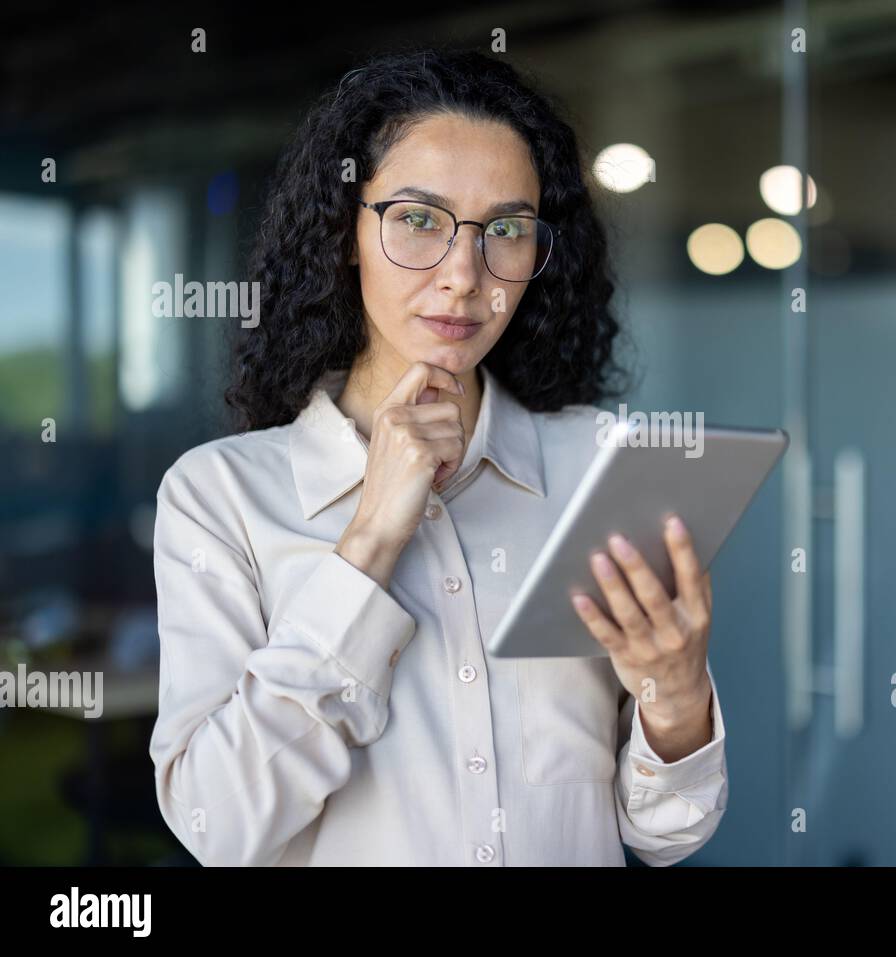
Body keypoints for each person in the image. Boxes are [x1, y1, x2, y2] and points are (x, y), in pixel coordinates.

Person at [148, 47, 727, 866]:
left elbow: (671, 834)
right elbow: (218, 825)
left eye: (506, 230)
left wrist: (676, 693)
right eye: (418, 219)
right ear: (345, 233)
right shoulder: (220, 497)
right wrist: (370, 543)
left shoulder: (602, 464)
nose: (464, 275)